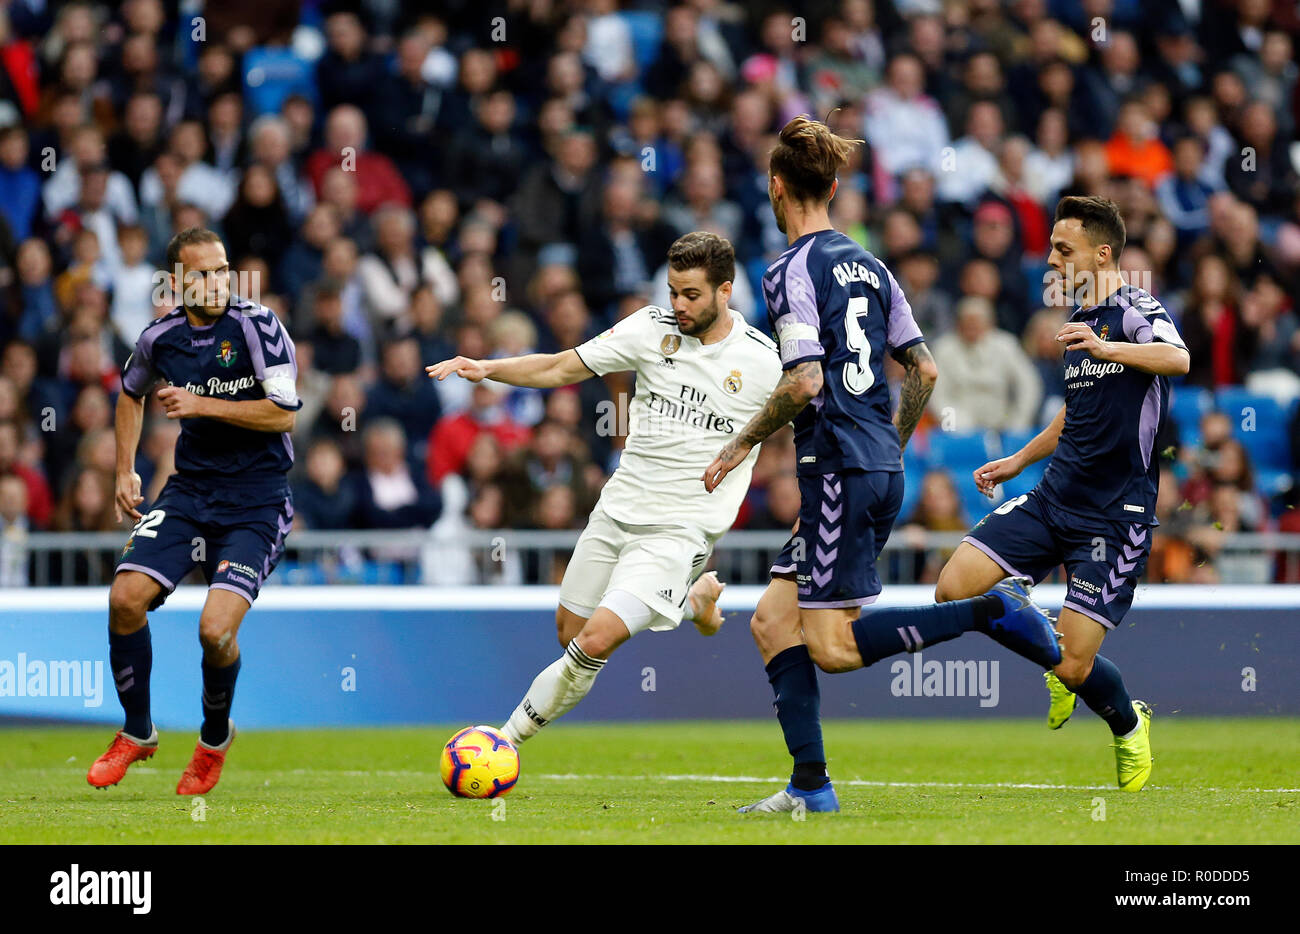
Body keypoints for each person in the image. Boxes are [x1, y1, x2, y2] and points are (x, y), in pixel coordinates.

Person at [702, 116, 1061, 815]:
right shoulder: (872, 265)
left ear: (776, 189)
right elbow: (923, 369)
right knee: (774, 621)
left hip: (836, 465)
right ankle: (812, 787)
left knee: (831, 648)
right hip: (872, 463)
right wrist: (890, 446)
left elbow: (804, 381)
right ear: (833, 186)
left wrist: (740, 443)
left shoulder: (788, 269)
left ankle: (990, 607)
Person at [427, 232, 780, 747]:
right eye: (672, 292)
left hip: (680, 528)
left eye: (691, 295)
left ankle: (499, 744)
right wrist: (487, 370)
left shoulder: (762, 362)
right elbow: (559, 365)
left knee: (594, 642)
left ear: (726, 291)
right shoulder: (647, 328)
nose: (678, 305)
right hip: (617, 508)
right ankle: (689, 599)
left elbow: (808, 414)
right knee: (571, 632)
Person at [935, 196, 1190, 792]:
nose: (1051, 258)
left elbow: (1176, 358)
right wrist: (1017, 460)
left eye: (1062, 249)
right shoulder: (1079, 316)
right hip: (1054, 498)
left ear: (1102, 253)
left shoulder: (1134, 310)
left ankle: (1128, 723)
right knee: (952, 588)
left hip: (1113, 516)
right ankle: (1047, 638)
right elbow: (1074, 417)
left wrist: (1105, 348)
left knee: (1075, 667)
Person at [87, 227, 301, 795]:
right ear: (178, 281)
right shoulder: (161, 337)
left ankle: (212, 740)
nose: (216, 282)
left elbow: (285, 414)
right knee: (125, 598)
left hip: (257, 499)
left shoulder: (258, 326)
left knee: (214, 630)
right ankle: (137, 732)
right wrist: (123, 468)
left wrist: (201, 403)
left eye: (222, 269)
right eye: (203, 273)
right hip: (190, 490)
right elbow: (130, 393)